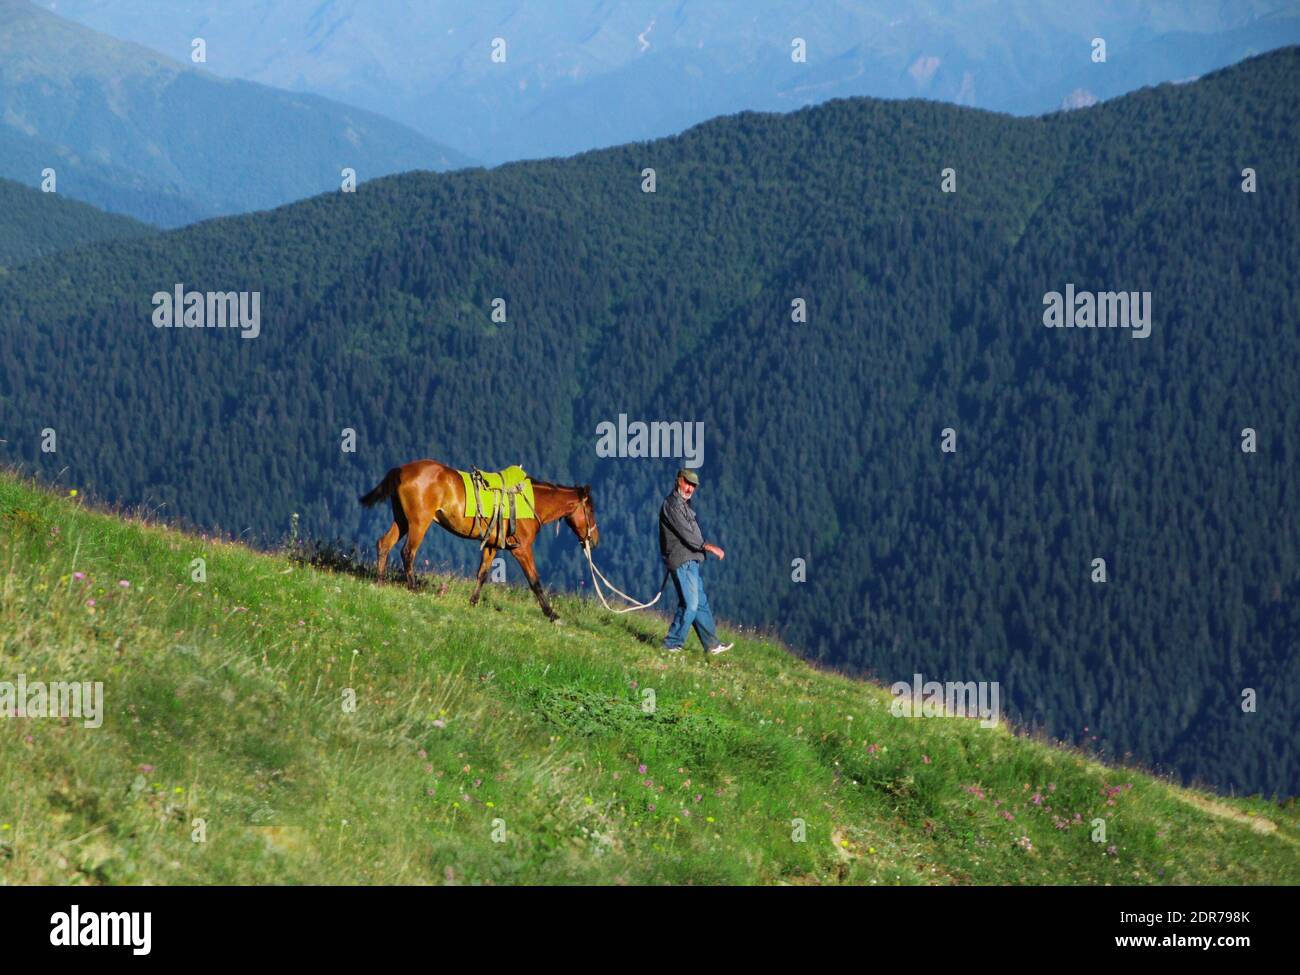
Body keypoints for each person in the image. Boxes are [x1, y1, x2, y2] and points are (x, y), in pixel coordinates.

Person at [659, 468, 733, 655]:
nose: (690, 488)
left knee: (700, 604)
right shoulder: (673, 505)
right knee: (690, 604)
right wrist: (707, 546)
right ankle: (671, 644)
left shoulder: (685, 505)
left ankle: (712, 645)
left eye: (693, 485)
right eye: (687, 483)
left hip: (691, 561)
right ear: (678, 481)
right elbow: (687, 534)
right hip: (682, 560)